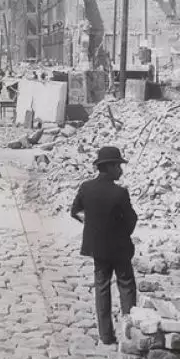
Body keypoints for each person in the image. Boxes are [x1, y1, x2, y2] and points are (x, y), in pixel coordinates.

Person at [70, 146, 138, 345]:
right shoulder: (120, 193)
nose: (121, 170)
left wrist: (91, 226)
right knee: (126, 286)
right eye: (118, 165)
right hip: (119, 249)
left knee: (102, 288)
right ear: (110, 167)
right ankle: (130, 332)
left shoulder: (86, 187)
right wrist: (122, 233)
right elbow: (132, 219)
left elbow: (74, 211)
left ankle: (106, 335)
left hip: (97, 248)